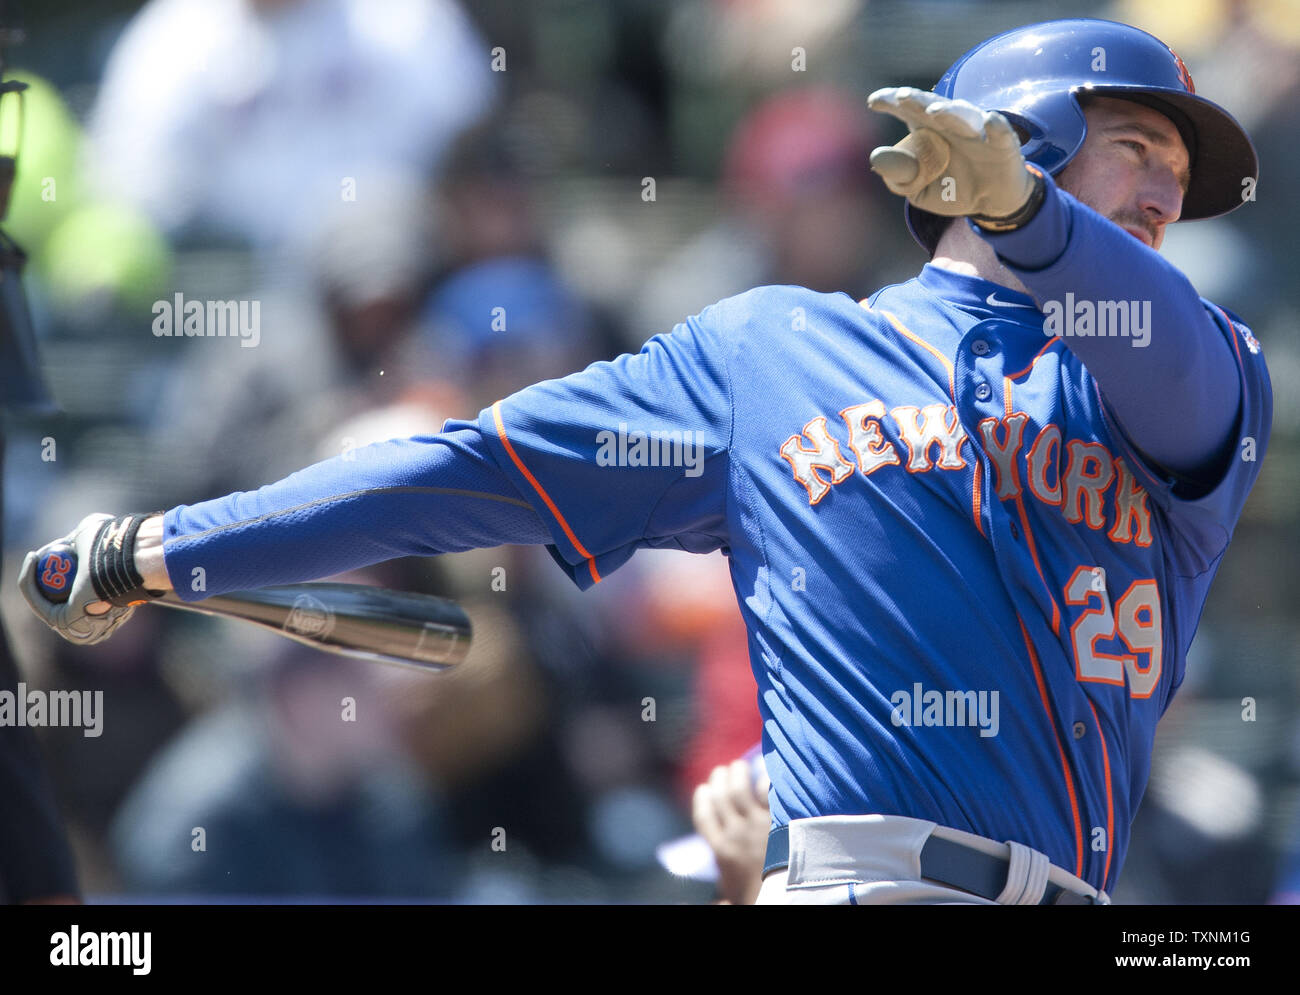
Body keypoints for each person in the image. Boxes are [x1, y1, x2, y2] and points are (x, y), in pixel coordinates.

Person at [19, 18, 1271, 905]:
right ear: (1031, 132)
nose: (1169, 193)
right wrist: (169, 548)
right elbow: (451, 472)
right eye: (1138, 147)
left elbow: (1173, 365)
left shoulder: (1191, 366)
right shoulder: (772, 351)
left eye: (1180, 171)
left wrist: (1034, 219)